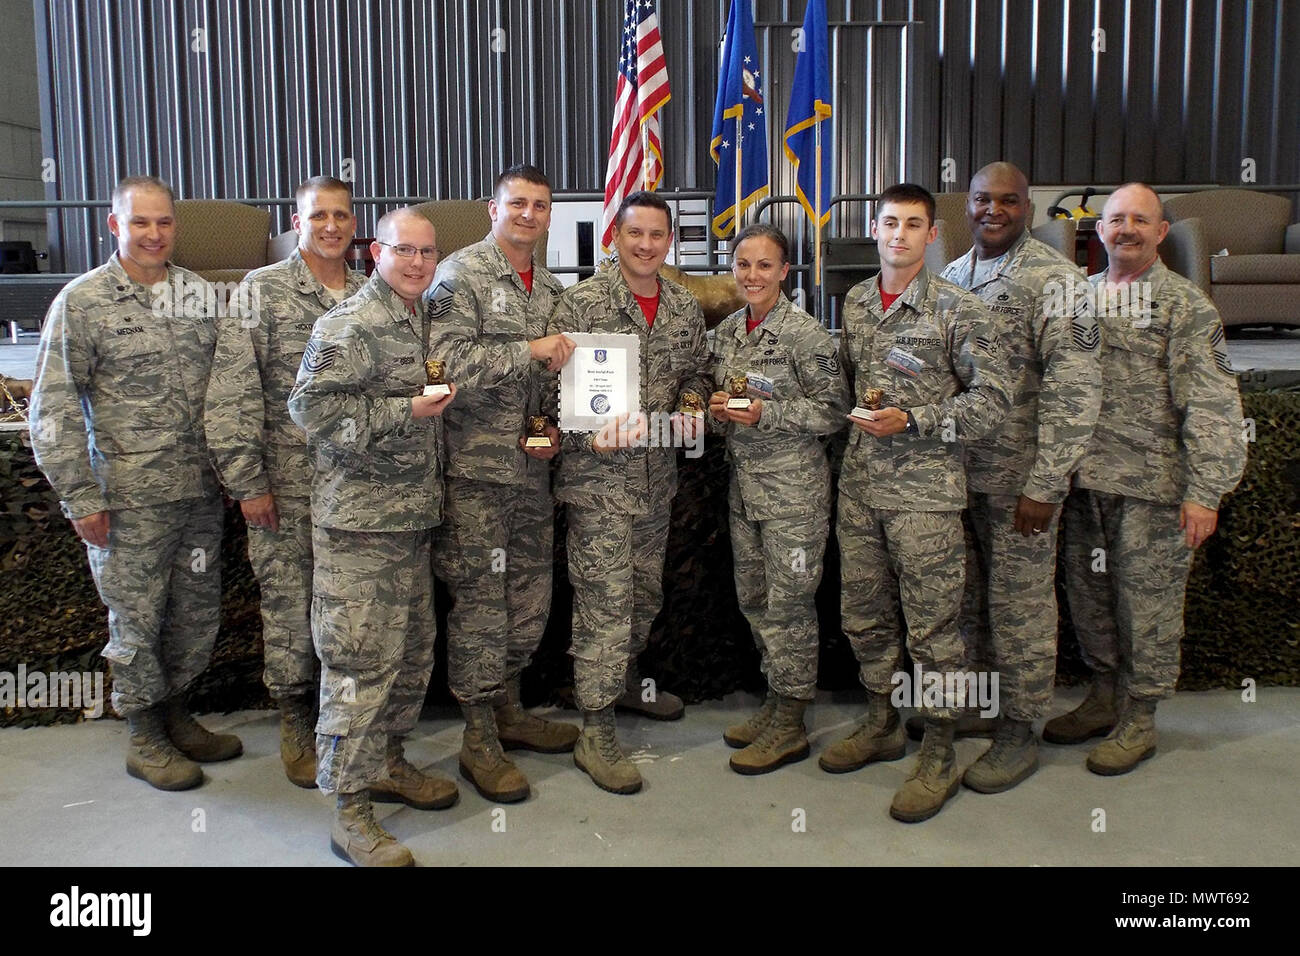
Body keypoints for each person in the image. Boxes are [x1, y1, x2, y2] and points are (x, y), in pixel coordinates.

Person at [29, 175, 242, 791]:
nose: (153, 234)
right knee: (135, 621)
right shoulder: (83, 302)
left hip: (198, 493)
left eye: (164, 222)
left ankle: (177, 713)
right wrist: (80, 495)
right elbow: (55, 407)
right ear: (114, 225)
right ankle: (144, 736)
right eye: (140, 222)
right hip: (126, 500)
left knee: (194, 614)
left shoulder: (199, 295)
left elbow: (224, 394)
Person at [828, 182, 1011, 823]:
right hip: (860, 488)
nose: (899, 235)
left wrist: (917, 419)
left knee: (936, 628)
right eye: (889, 223)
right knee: (865, 613)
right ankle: (881, 721)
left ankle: (938, 746)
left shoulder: (959, 309)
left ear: (933, 236)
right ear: (874, 231)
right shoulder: (853, 302)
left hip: (926, 496)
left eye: (913, 224)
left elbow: (992, 402)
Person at [1052, 182, 1245, 775]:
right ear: (1099, 230)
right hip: (1084, 486)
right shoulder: (1077, 299)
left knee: (1148, 608)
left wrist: (1205, 492)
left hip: (1153, 491)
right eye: (1116, 219)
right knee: (1091, 602)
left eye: (1140, 219)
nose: (1126, 228)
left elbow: (1212, 405)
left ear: (1162, 232)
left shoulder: (1186, 307)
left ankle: (1141, 716)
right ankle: (1105, 695)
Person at [287, 207, 457, 867]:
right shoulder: (350, 323)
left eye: (427, 253)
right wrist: (402, 411)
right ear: (376, 251)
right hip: (359, 528)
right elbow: (311, 409)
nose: (417, 263)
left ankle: (388, 763)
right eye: (404, 251)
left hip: (412, 521)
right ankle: (349, 811)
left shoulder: (421, 319)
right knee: (359, 665)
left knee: (411, 656)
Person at [937, 162, 1102, 793]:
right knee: (971, 601)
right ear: (969, 205)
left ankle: (1020, 729)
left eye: (1008, 201)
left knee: (1023, 605)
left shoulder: (1057, 282)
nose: (993, 210)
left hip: (1019, 485)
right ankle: (982, 705)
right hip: (959, 476)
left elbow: (1075, 387)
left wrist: (1046, 483)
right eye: (982, 199)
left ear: (1028, 208)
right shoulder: (953, 277)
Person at [545, 191, 711, 794]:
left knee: (642, 597)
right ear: (615, 235)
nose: (646, 245)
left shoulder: (684, 308)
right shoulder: (581, 304)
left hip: (655, 484)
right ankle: (595, 728)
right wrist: (591, 436)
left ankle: (627, 684)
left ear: (670, 241)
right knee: (604, 606)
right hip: (599, 485)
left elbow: (696, 374)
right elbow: (549, 402)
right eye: (635, 233)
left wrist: (693, 408)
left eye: (657, 236)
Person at [424, 164, 579, 803]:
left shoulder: (549, 283)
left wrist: (556, 419)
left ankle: (510, 708)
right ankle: (478, 736)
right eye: (518, 203)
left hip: (531, 472)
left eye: (540, 206)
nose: (528, 215)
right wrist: (532, 350)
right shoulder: (459, 276)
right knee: (481, 607)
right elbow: (446, 364)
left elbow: (555, 374)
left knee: (530, 599)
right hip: (475, 475)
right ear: (494, 209)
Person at [204, 175, 365, 789]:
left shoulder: (368, 293)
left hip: (356, 489)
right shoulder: (261, 291)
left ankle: (342, 718)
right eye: (318, 215)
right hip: (288, 486)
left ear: (355, 225)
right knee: (290, 605)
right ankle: (296, 716)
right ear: (296, 223)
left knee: (348, 607)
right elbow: (232, 395)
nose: (330, 226)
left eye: (341, 216)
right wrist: (248, 483)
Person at [708, 223, 849, 774]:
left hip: (794, 497)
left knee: (790, 607)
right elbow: (709, 385)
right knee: (756, 600)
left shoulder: (806, 335)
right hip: (745, 490)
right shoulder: (729, 334)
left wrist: (769, 413)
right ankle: (774, 702)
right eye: (743, 264)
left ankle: (792, 720)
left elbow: (835, 411)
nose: (752, 275)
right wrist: (713, 406)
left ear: (785, 272)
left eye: (765, 265)